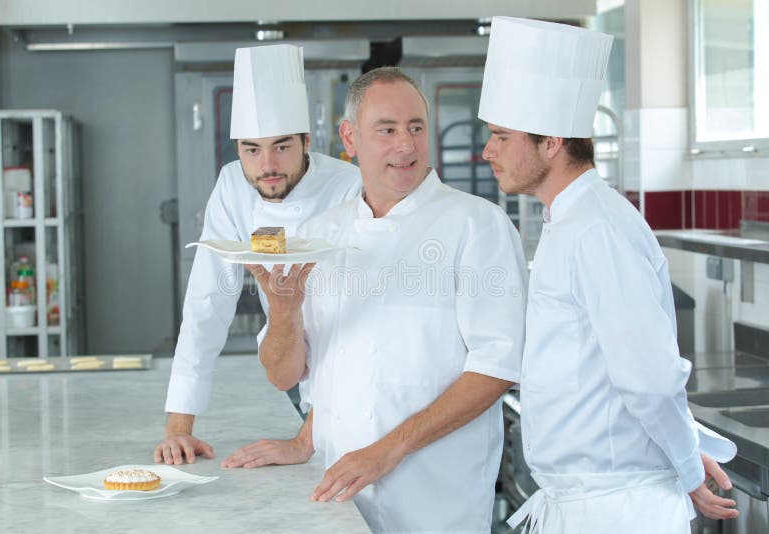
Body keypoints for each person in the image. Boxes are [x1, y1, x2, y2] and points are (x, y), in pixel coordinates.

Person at [477, 17, 739, 532]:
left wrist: (685, 465)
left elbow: (651, 379)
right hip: (589, 503)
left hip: (616, 511)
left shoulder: (598, 230)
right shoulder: (569, 220)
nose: (487, 151)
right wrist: (681, 450)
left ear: (551, 142)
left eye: (501, 137)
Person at [244, 67, 528, 532]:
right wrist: (285, 312)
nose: (406, 145)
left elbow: (496, 368)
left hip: (437, 497)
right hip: (337, 494)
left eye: (416, 127)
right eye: (388, 130)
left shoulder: (478, 225)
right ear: (350, 137)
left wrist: (387, 450)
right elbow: (284, 374)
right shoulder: (319, 236)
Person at [153, 44, 361, 465]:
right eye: (251, 149)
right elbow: (206, 304)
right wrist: (179, 429)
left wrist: (305, 440)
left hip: (362, 388)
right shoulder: (232, 186)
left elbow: (363, 333)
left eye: (282, 147)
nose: (267, 165)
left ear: (306, 142)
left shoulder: (349, 186)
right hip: (304, 387)